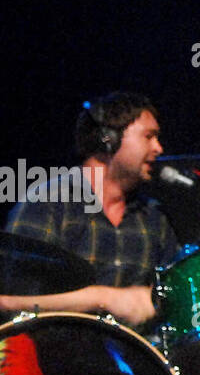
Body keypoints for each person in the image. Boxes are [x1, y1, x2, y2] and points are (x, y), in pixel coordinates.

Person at [0, 92, 178, 329]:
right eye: (149, 137)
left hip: (130, 362)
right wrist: (103, 298)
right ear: (108, 139)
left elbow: (177, 301)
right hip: (49, 358)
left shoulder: (155, 219)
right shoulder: (49, 203)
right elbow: (8, 301)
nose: (159, 148)